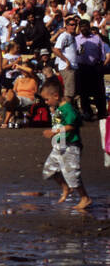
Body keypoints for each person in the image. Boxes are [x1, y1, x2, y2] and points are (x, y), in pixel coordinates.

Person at [39, 79, 90, 211]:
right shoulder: (59, 109)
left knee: (72, 173)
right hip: (59, 145)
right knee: (49, 171)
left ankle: (85, 198)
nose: (45, 102)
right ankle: (65, 187)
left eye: (46, 99)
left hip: (71, 146)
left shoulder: (68, 108)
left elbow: (71, 126)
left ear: (55, 96)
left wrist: (53, 131)